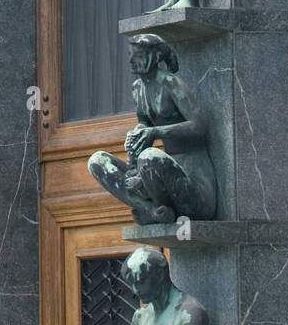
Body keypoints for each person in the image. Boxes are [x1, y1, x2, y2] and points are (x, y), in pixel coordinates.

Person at [88, 34, 217, 224]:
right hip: (157, 179)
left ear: (155, 57)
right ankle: (152, 210)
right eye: (130, 54)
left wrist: (156, 132)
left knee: (149, 156)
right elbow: (145, 122)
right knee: (97, 161)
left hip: (194, 188)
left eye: (138, 55)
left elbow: (199, 125)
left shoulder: (171, 84)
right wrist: (138, 132)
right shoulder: (137, 88)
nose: (131, 60)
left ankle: (161, 205)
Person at [122, 247, 212, 325]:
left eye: (140, 282)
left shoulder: (190, 315)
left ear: (159, 274)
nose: (135, 290)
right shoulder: (140, 318)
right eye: (132, 284)